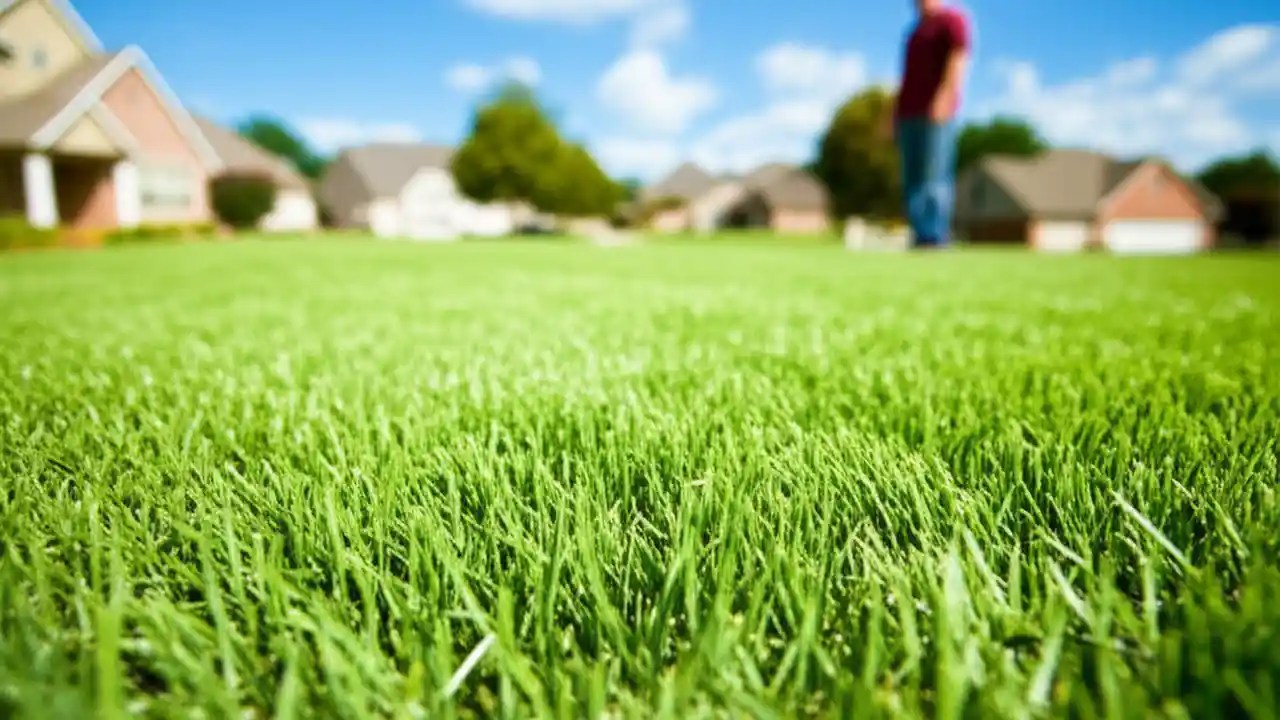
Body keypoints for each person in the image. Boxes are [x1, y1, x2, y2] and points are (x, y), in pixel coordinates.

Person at [894, 0, 971, 249]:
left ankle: (935, 236)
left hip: (936, 111)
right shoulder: (914, 33)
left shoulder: (952, 20)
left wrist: (945, 96)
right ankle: (919, 235)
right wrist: (893, 114)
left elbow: (958, 57)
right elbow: (906, 76)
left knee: (934, 174)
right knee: (912, 177)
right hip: (908, 113)